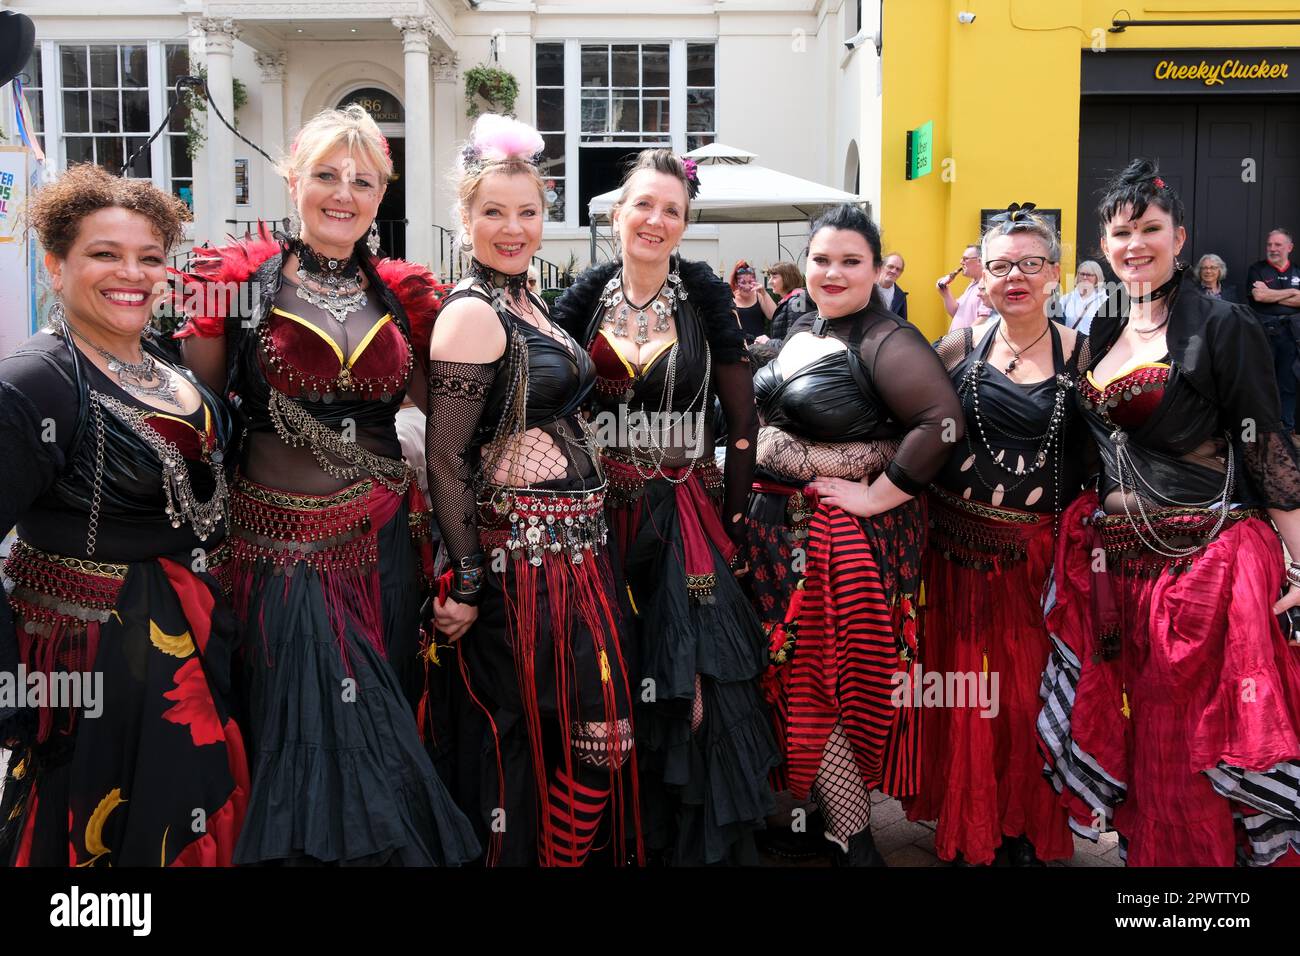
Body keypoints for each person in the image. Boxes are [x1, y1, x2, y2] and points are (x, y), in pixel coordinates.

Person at [177, 104, 479, 866]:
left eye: (363, 181)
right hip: (274, 553)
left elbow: (445, 432)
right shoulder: (238, 286)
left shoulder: (402, 298)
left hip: (383, 546)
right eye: (326, 175)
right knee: (300, 726)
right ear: (293, 179)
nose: (343, 193)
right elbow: (200, 427)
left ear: (382, 196)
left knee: (380, 716)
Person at [1038, 159, 1300, 866]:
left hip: (1203, 567)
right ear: (1105, 241)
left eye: (1151, 228)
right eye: (1121, 231)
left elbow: (1268, 444)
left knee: (1193, 752)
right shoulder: (1100, 324)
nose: (1135, 244)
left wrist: (1299, 561)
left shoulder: (1224, 325)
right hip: (1117, 570)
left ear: (1179, 237)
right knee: (1143, 744)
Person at [0, 165, 248, 865]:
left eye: (148, 258)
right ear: (54, 265)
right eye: (104, 255)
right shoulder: (34, 381)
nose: (131, 274)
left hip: (191, 630)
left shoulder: (161, 363)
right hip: (96, 660)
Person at [425, 114, 641, 867]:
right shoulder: (473, 314)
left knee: (593, 739)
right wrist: (473, 582)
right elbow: (447, 460)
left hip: (578, 554)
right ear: (465, 218)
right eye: (493, 212)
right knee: (547, 739)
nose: (512, 228)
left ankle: (563, 858)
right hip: (523, 569)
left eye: (528, 212)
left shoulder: (528, 301)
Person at [552, 149, 778, 865]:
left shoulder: (705, 297)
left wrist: (734, 512)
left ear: (685, 224)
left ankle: (691, 843)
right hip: (599, 513)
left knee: (698, 681)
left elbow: (742, 423)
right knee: (608, 666)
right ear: (617, 214)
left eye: (671, 210)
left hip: (684, 506)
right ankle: (621, 837)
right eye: (643, 205)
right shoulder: (583, 297)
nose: (655, 219)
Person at [743, 203, 963, 865]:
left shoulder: (885, 338)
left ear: (876, 269)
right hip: (784, 534)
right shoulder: (807, 322)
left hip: (843, 544)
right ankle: (822, 820)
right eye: (820, 259)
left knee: (826, 682)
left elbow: (942, 423)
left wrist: (876, 490)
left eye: (850, 261)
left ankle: (852, 838)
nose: (832, 272)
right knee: (792, 675)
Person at [905, 206, 1083, 866]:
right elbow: (907, 418)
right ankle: (966, 822)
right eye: (1001, 265)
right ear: (982, 276)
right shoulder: (959, 347)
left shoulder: (1082, 354)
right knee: (960, 691)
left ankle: (1019, 829)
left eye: (1029, 265)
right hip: (952, 550)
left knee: (1022, 696)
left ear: (1053, 272)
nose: (1015, 277)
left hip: (1032, 559)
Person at [1248, 228, 1300, 433]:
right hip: (1265, 333)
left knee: (1288, 383)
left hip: (1292, 336)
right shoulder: (1257, 269)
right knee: (1262, 382)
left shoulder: (1297, 271)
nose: (1272, 248)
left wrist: (1271, 293)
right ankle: (1263, 430)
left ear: (1290, 247)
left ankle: (1286, 429)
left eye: (1278, 245)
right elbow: (1259, 297)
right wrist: (1292, 293)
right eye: (1270, 244)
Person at [939, 243, 989, 331]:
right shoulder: (973, 285)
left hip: (970, 343)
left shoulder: (987, 284)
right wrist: (945, 293)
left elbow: (984, 318)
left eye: (965, 259)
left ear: (980, 261)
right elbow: (956, 313)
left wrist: (963, 339)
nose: (961, 262)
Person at [764, 261, 809, 343]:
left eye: (774, 277)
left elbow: (794, 341)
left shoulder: (797, 301)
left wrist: (767, 342)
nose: (770, 282)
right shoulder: (791, 300)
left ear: (787, 278)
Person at [1059, 259, 1106, 333]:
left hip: (1092, 344)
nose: (1084, 277)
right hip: (1069, 343)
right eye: (1082, 274)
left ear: (1097, 277)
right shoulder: (1066, 299)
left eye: (1089, 275)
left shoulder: (1104, 300)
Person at [731, 261, 770, 343]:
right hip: (739, 349)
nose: (747, 286)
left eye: (750, 282)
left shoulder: (759, 296)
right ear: (736, 283)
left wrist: (764, 293)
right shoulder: (731, 300)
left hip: (759, 348)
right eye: (743, 282)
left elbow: (772, 315)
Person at [877, 252, 908, 319]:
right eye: (890, 266)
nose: (893, 271)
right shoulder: (867, 288)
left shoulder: (900, 296)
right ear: (882, 266)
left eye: (898, 269)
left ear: (900, 273)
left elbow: (902, 322)